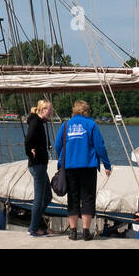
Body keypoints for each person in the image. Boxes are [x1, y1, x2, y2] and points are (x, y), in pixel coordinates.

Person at [55, 99, 110, 241]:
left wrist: (61, 160)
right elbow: (100, 146)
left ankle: (73, 232)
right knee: (87, 198)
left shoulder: (66, 125)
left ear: (74, 110)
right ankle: (86, 232)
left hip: (70, 167)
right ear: (86, 111)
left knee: (72, 198)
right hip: (88, 166)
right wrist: (107, 165)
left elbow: (57, 145)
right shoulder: (91, 124)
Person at [24, 99, 53, 237]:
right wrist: (30, 152)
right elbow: (28, 140)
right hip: (37, 165)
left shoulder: (40, 122)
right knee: (39, 198)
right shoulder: (35, 122)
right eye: (49, 110)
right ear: (43, 110)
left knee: (47, 196)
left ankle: (37, 224)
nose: (51, 112)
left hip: (41, 165)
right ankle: (33, 228)